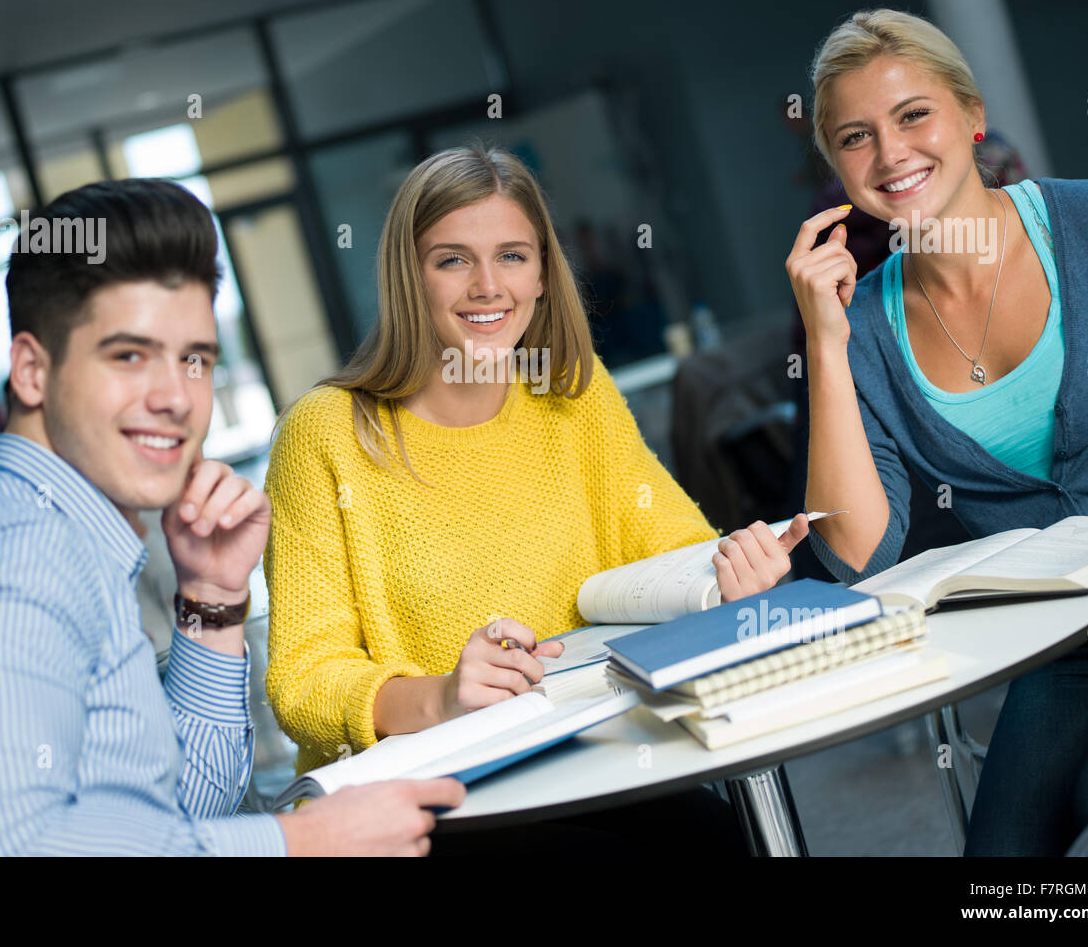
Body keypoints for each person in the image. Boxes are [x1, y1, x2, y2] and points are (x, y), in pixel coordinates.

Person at [0, 178, 461, 856]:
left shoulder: (66, 541)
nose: (177, 397)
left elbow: (176, 806)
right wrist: (301, 841)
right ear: (30, 370)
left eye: (195, 358)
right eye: (130, 355)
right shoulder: (9, 564)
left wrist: (213, 598)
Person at [264, 145, 808, 851]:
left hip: (588, 760)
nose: (489, 286)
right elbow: (303, 681)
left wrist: (730, 573)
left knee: (727, 839)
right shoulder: (326, 433)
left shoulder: (572, 397)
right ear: (409, 276)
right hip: (428, 801)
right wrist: (441, 695)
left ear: (544, 273)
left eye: (513, 256)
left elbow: (674, 549)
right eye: (453, 259)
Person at [786, 9, 1088, 856]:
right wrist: (825, 345)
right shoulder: (865, 325)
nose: (892, 153)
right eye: (855, 136)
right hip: (1071, 643)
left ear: (972, 115)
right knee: (1003, 874)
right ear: (837, 166)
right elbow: (857, 556)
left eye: (914, 114)